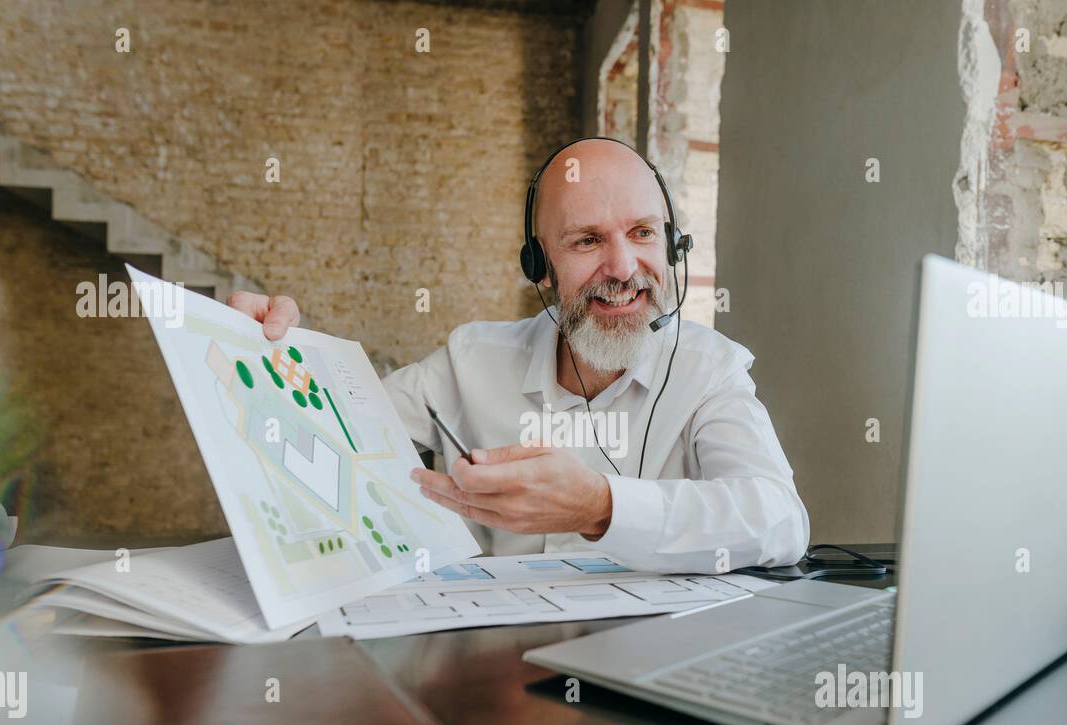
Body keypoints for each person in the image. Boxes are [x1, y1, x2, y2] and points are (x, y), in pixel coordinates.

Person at [228, 137, 808, 573]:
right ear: (542, 268)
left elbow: (779, 519)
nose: (624, 268)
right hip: (493, 673)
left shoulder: (711, 370)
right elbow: (320, 430)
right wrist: (258, 350)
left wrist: (598, 508)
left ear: (672, 244)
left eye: (642, 233)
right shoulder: (471, 360)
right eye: (586, 240)